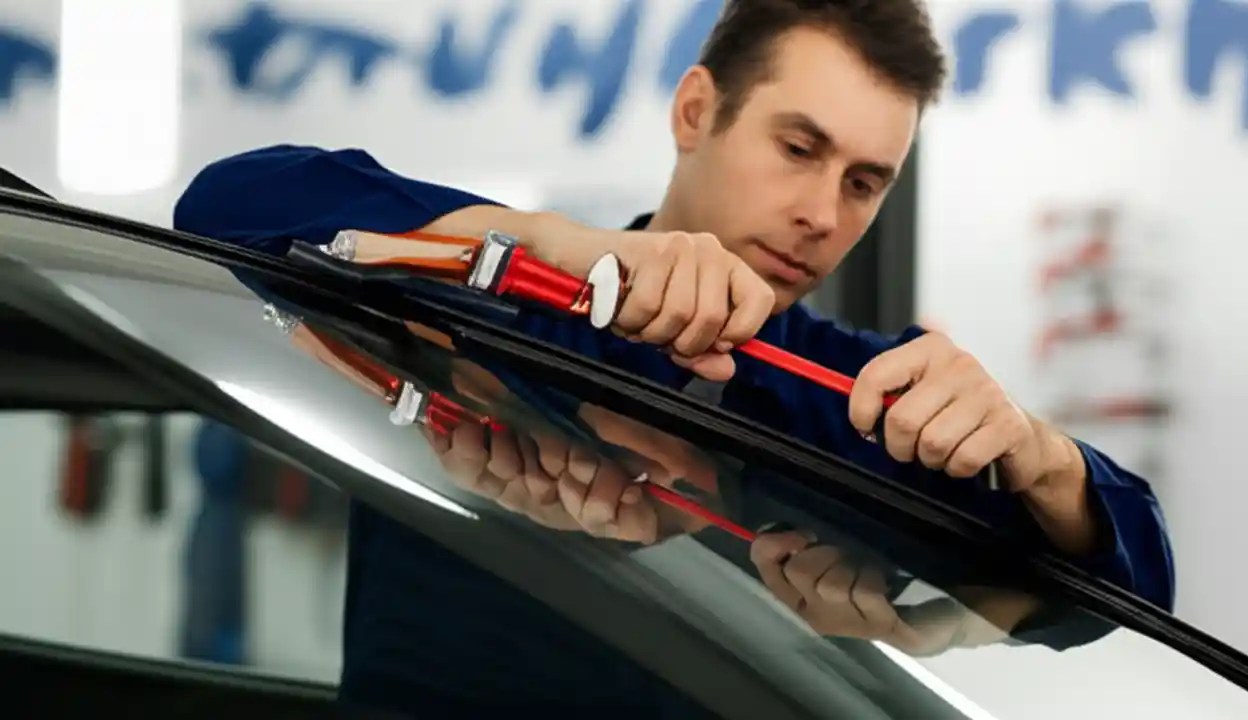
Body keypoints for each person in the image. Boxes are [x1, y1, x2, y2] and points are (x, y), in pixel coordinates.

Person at [173, 0, 1175, 714]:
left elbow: (1117, 593)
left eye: (864, 182)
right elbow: (230, 204)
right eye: (796, 148)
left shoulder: (850, 400)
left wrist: (1038, 463)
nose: (820, 215)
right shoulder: (502, 298)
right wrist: (563, 250)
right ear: (696, 112)